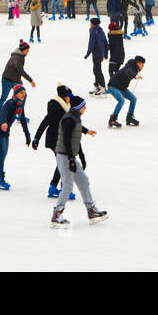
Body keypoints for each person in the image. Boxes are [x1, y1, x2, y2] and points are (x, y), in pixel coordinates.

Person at [52, 97, 107, 227]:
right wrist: (71, 158)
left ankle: (91, 210)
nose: (85, 108)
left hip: (69, 156)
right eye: (84, 106)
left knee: (83, 180)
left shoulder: (74, 117)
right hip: (64, 156)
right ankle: (57, 214)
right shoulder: (69, 119)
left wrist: (86, 131)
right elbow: (66, 139)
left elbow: (76, 130)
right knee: (67, 185)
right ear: (78, 107)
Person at [32, 84, 78, 199]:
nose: (70, 98)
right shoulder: (56, 108)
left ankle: (53, 188)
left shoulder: (65, 106)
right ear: (64, 96)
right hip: (55, 139)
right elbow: (45, 122)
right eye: (69, 95)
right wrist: (36, 138)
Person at [107, 55, 145, 128]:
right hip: (113, 86)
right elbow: (128, 72)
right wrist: (135, 76)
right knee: (121, 100)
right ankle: (112, 120)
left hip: (121, 87)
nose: (143, 66)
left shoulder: (133, 67)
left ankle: (129, 118)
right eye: (142, 64)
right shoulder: (130, 67)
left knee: (133, 99)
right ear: (138, 63)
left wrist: (135, 75)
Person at [1, 41, 35, 105]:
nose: (28, 51)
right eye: (27, 50)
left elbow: (16, 69)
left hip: (14, 80)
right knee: (3, 98)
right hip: (7, 80)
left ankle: (19, 113)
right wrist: (30, 80)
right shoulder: (17, 57)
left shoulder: (21, 56)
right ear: (23, 50)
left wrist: (18, 78)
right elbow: (21, 70)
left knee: (22, 96)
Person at [85, 17, 108, 95]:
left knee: (97, 70)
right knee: (96, 70)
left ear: (93, 24)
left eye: (90, 22)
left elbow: (91, 43)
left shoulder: (93, 31)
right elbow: (106, 43)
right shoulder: (101, 31)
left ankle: (103, 87)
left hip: (97, 54)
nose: (89, 24)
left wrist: (87, 54)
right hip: (100, 53)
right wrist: (105, 54)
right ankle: (98, 86)